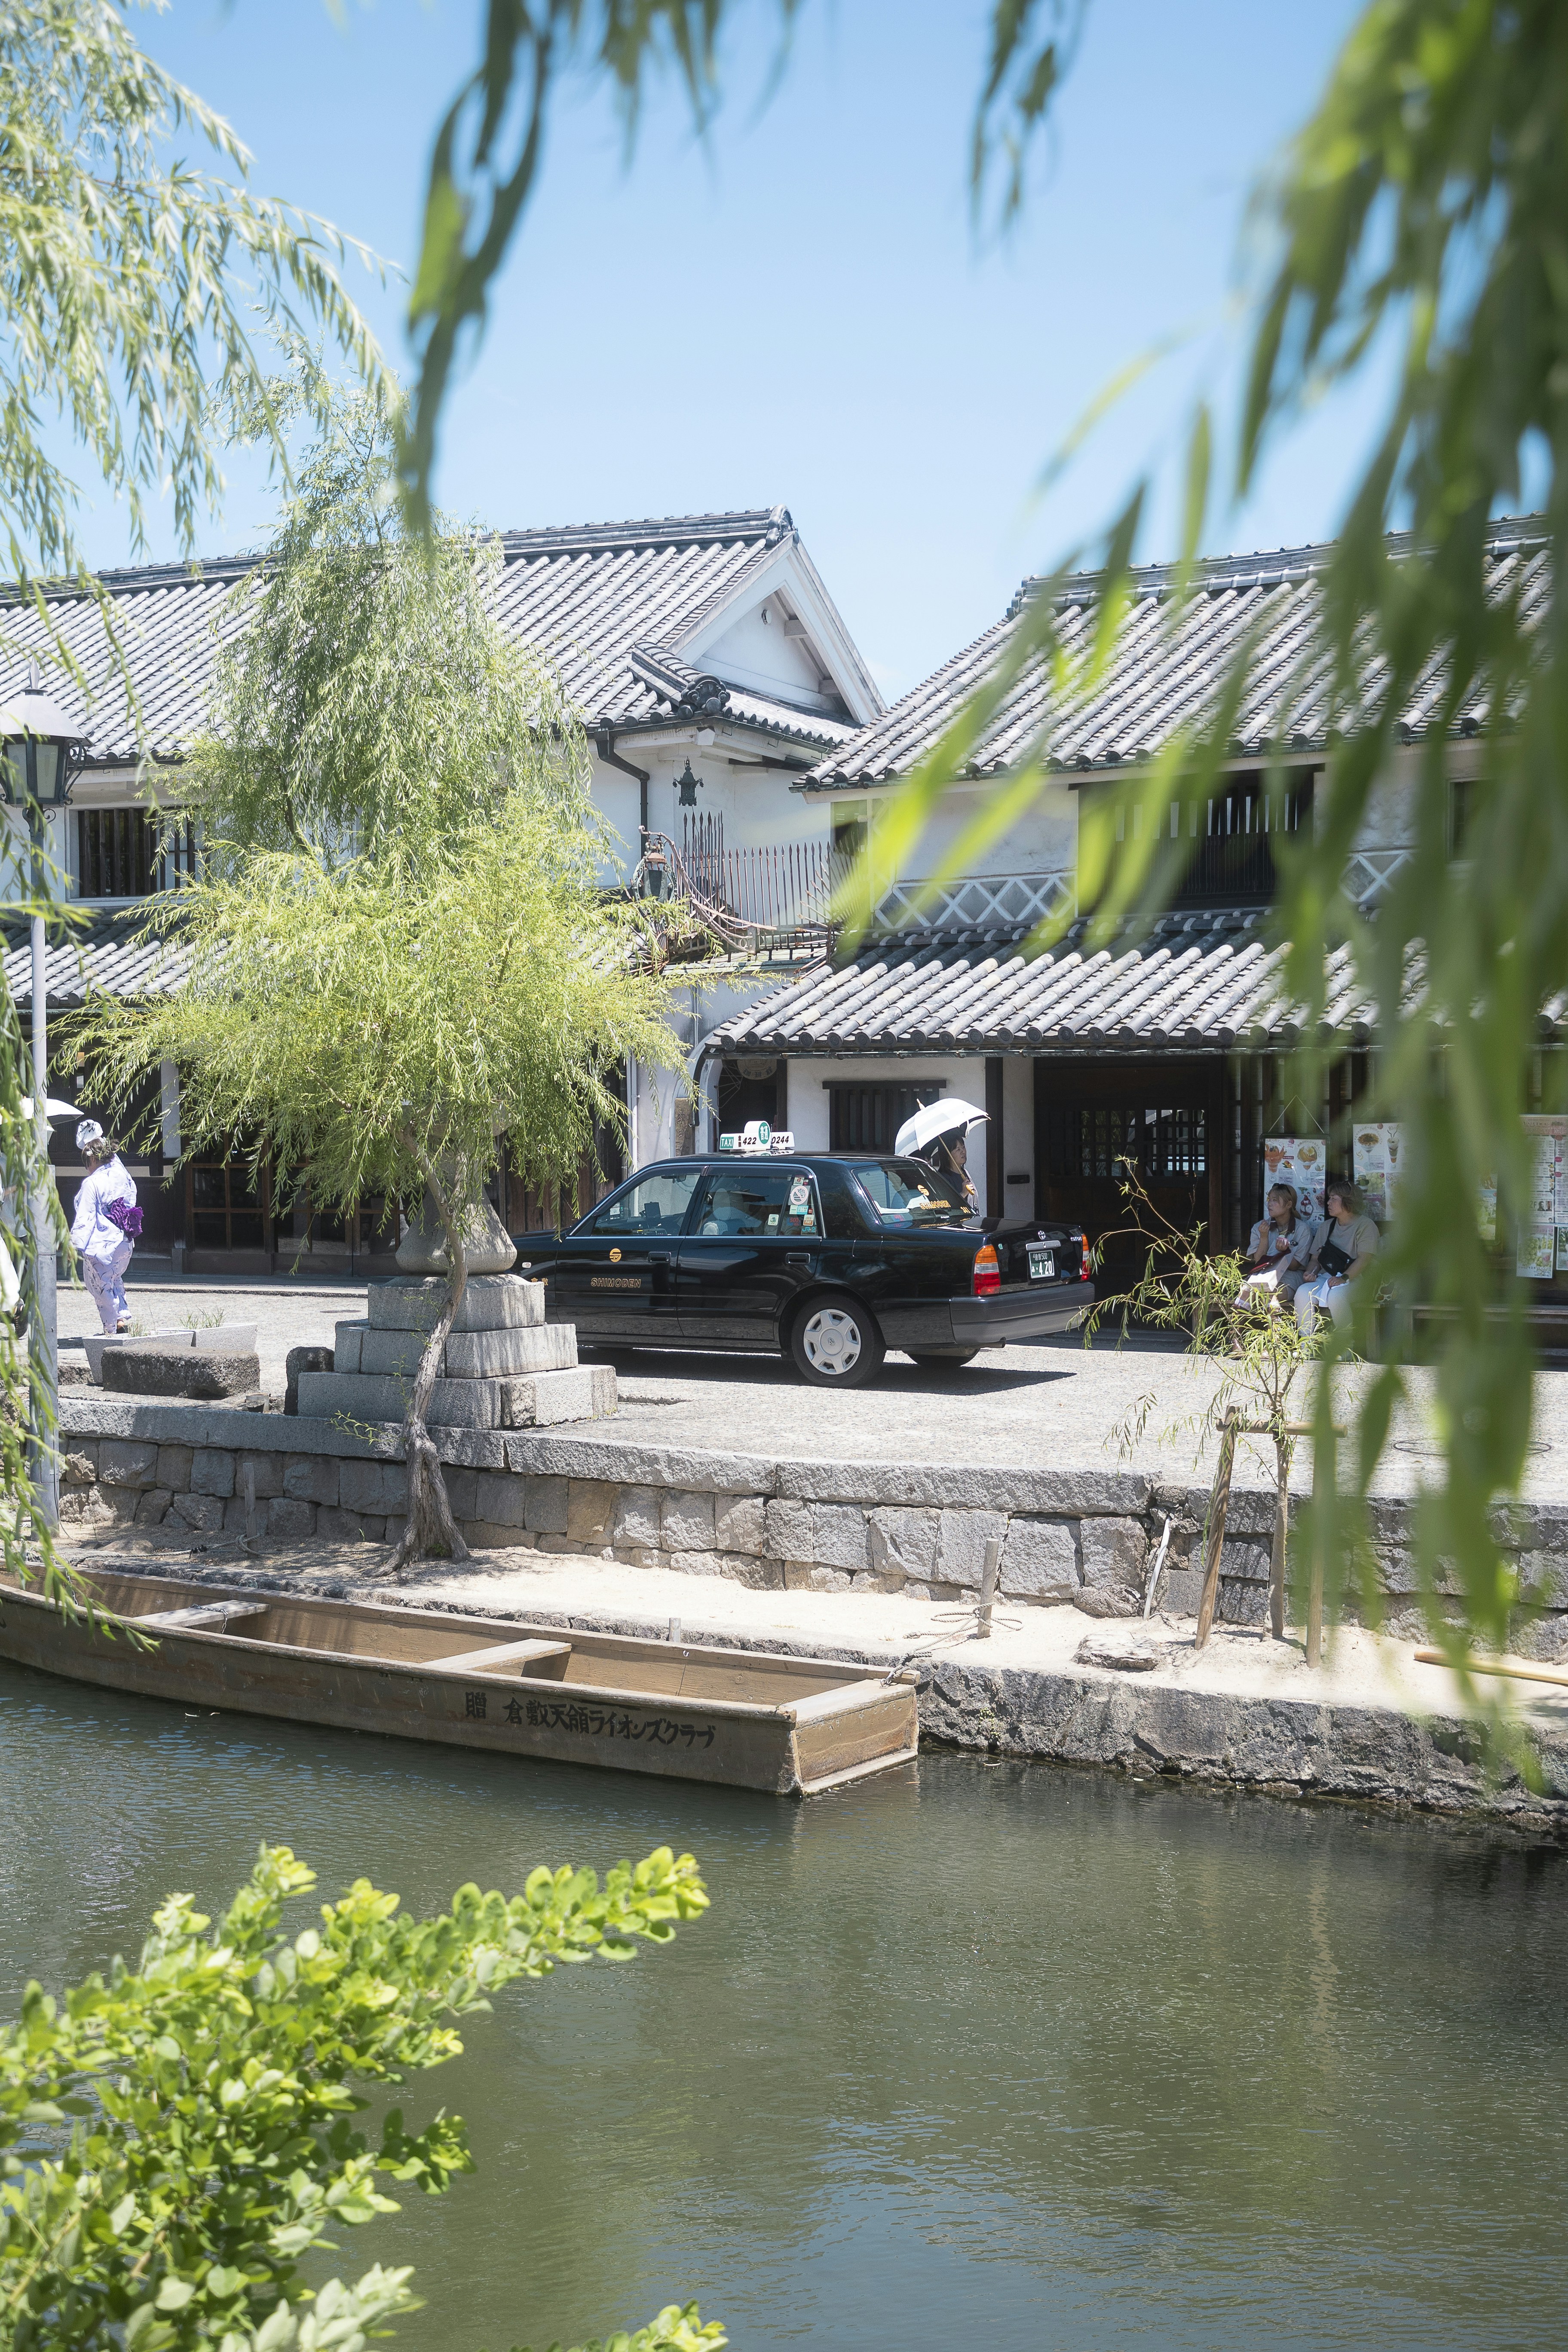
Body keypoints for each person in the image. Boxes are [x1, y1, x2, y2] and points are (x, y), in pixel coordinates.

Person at [70, 1119, 140, 1334]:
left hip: (103, 1245)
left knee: (100, 1286)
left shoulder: (92, 1183)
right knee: (114, 1278)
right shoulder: (120, 1172)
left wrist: (75, 1243)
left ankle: (111, 1328)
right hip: (125, 1240)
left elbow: (86, 1216)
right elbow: (132, 1197)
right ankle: (122, 1317)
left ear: (91, 1161)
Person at [1294, 1179, 1380, 1335]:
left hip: (1357, 1279)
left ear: (1348, 1201)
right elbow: (1315, 1259)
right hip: (1328, 1278)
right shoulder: (1326, 1226)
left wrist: (1344, 1278)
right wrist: (1311, 1273)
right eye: (1329, 1198)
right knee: (1302, 1292)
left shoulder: (1366, 1226)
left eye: (1334, 1198)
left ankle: (1345, 1346)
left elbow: (1364, 1259)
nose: (1329, 1202)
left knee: (1336, 1295)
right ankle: (1305, 1345)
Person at [1237, 1182, 1312, 1310]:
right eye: (1269, 1199)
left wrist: (1285, 1252)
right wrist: (1264, 1237)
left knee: (1270, 1296)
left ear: (1289, 1205)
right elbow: (1258, 1261)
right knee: (1244, 1296)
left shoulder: (1302, 1229)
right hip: (1264, 1273)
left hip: (1290, 1276)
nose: (1270, 1204)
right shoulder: (1260, 1227)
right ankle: (1235, 1330)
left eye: (1275, 1200)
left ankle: (1275, 1330)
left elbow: (1295, 1267)